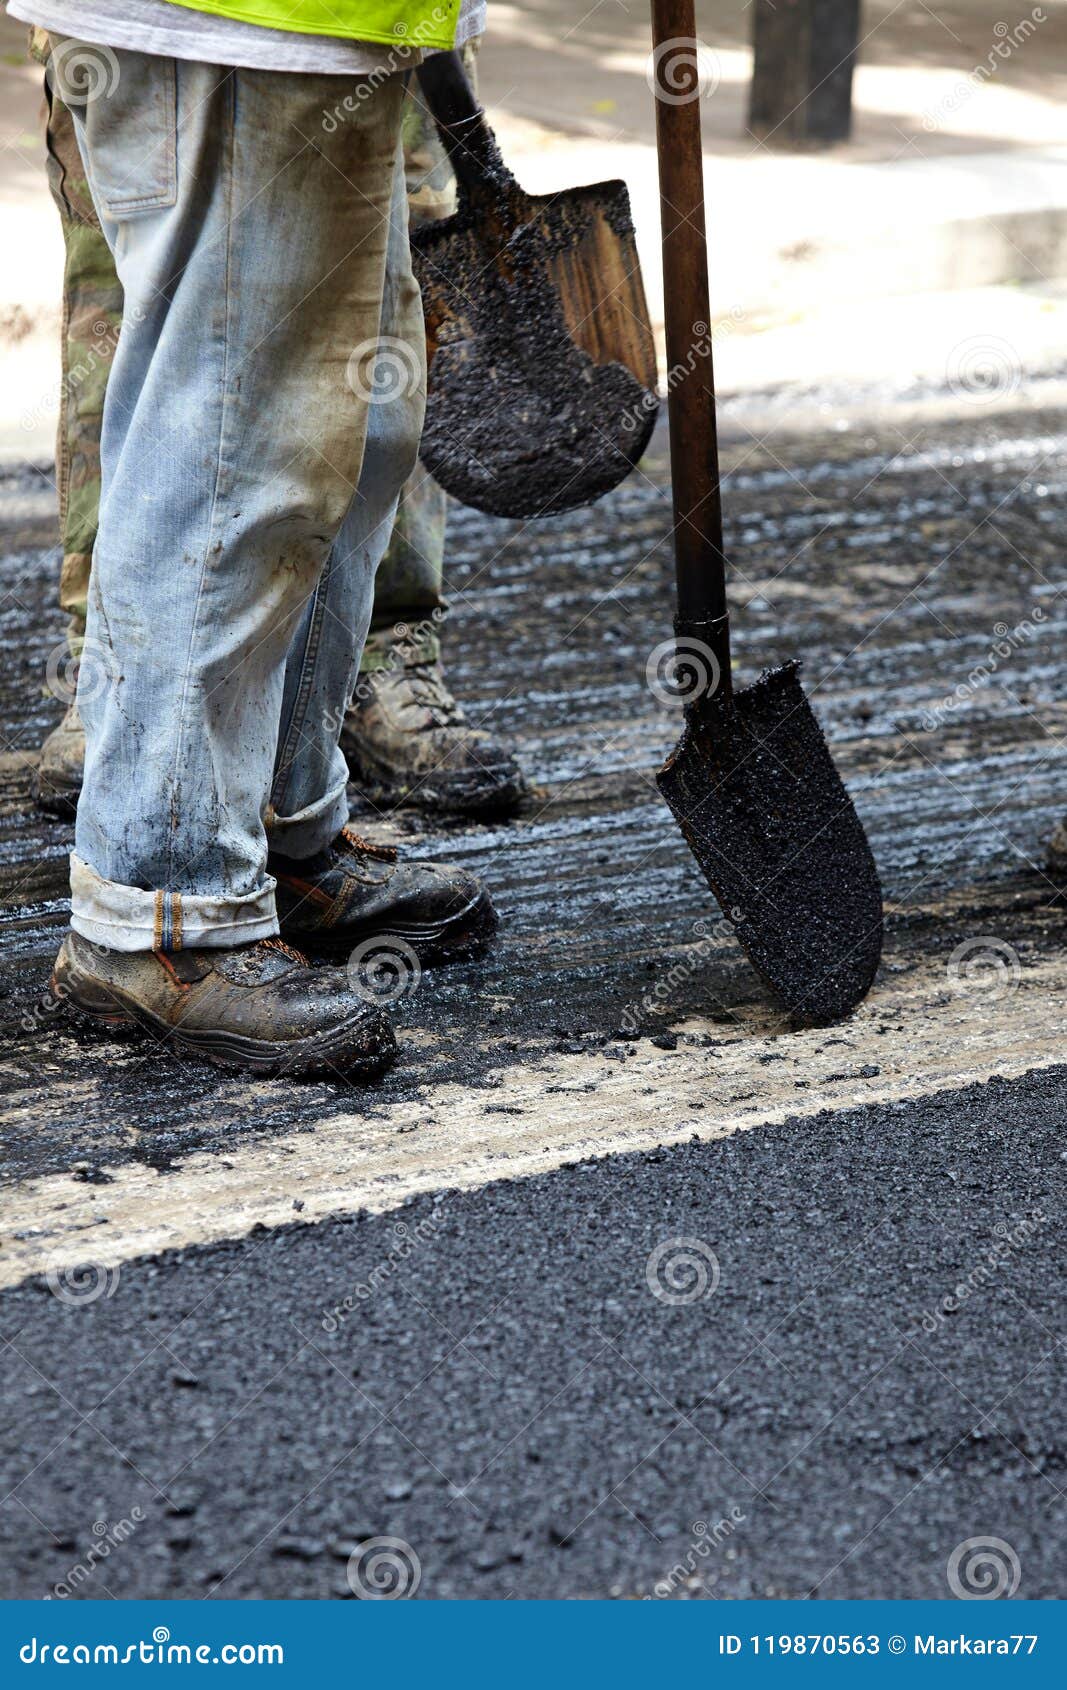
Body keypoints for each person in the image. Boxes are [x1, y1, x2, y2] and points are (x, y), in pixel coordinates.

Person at [12, 0, 499, 1079]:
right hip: (229, 24)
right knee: (236, 449)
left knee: (355, 427)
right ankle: (163, 908)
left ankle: (276, 832)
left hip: (326, 26)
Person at [31, 15, 527, 821]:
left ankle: (374, 658)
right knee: (136, 312)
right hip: (148, 25)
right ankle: (118, 675)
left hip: (378, 22)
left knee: (384, 310)